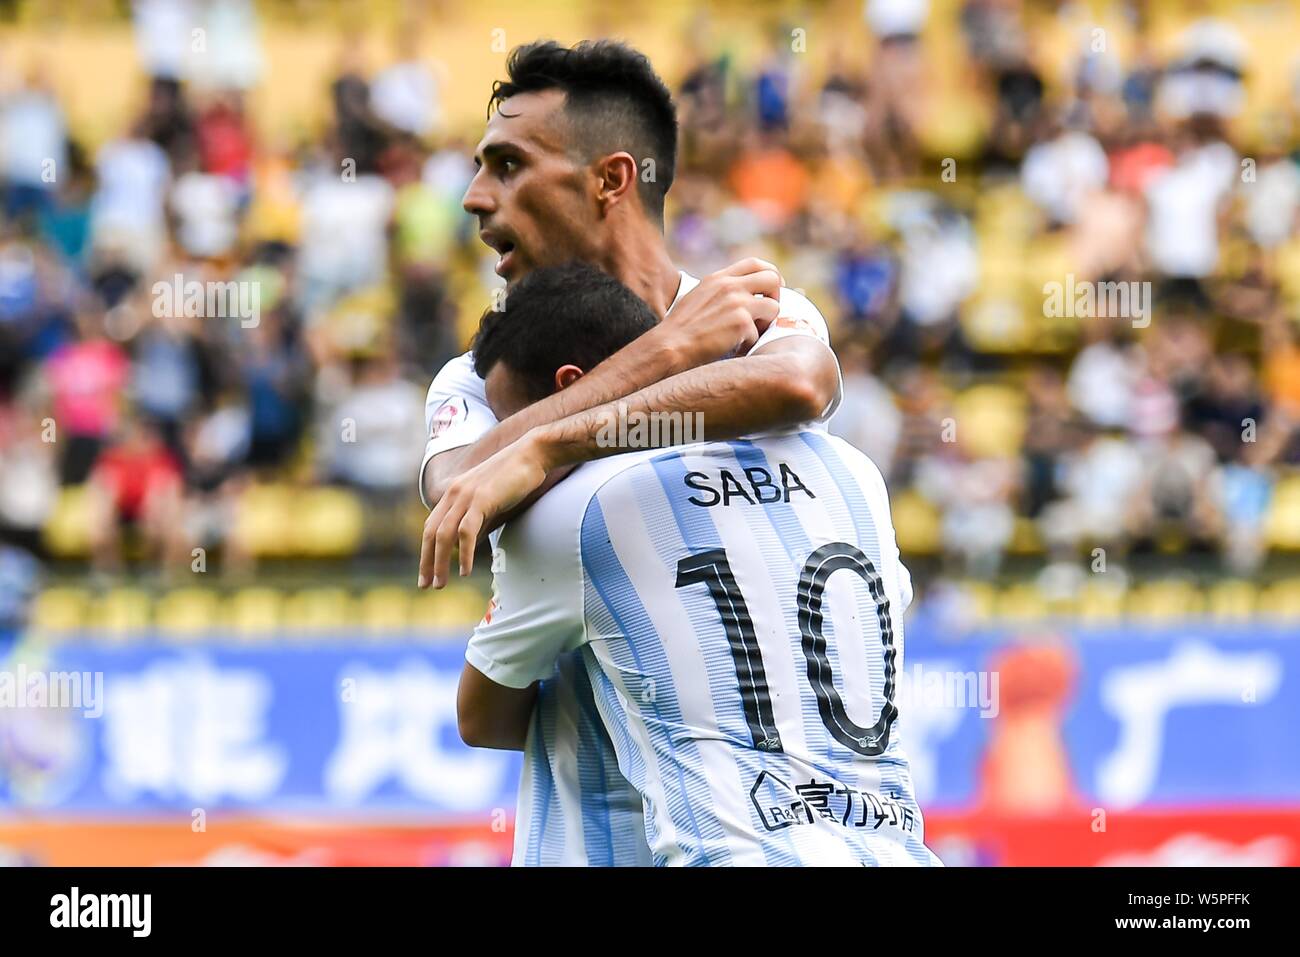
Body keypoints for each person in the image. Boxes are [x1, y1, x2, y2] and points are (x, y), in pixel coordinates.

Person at [416, 39, 844, 866]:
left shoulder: (759, 309)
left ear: (611, 179)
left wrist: (551, 442)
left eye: (506, 165)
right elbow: (462, 488)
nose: (474, 198)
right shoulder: (475, 373)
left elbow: (799, 384)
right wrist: (665, 353)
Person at [456, 263, 939, 866]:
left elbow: (482, 719)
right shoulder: (852, 471)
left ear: (569, 389)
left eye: (513, 420)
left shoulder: (581, 510)